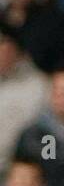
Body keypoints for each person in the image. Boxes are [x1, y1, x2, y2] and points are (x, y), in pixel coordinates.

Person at [0, 24, 49, 172]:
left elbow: (52, 134)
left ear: (17, 50)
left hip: (20, 177)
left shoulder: (41, 86)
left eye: (2, 45)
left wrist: (48, 167)